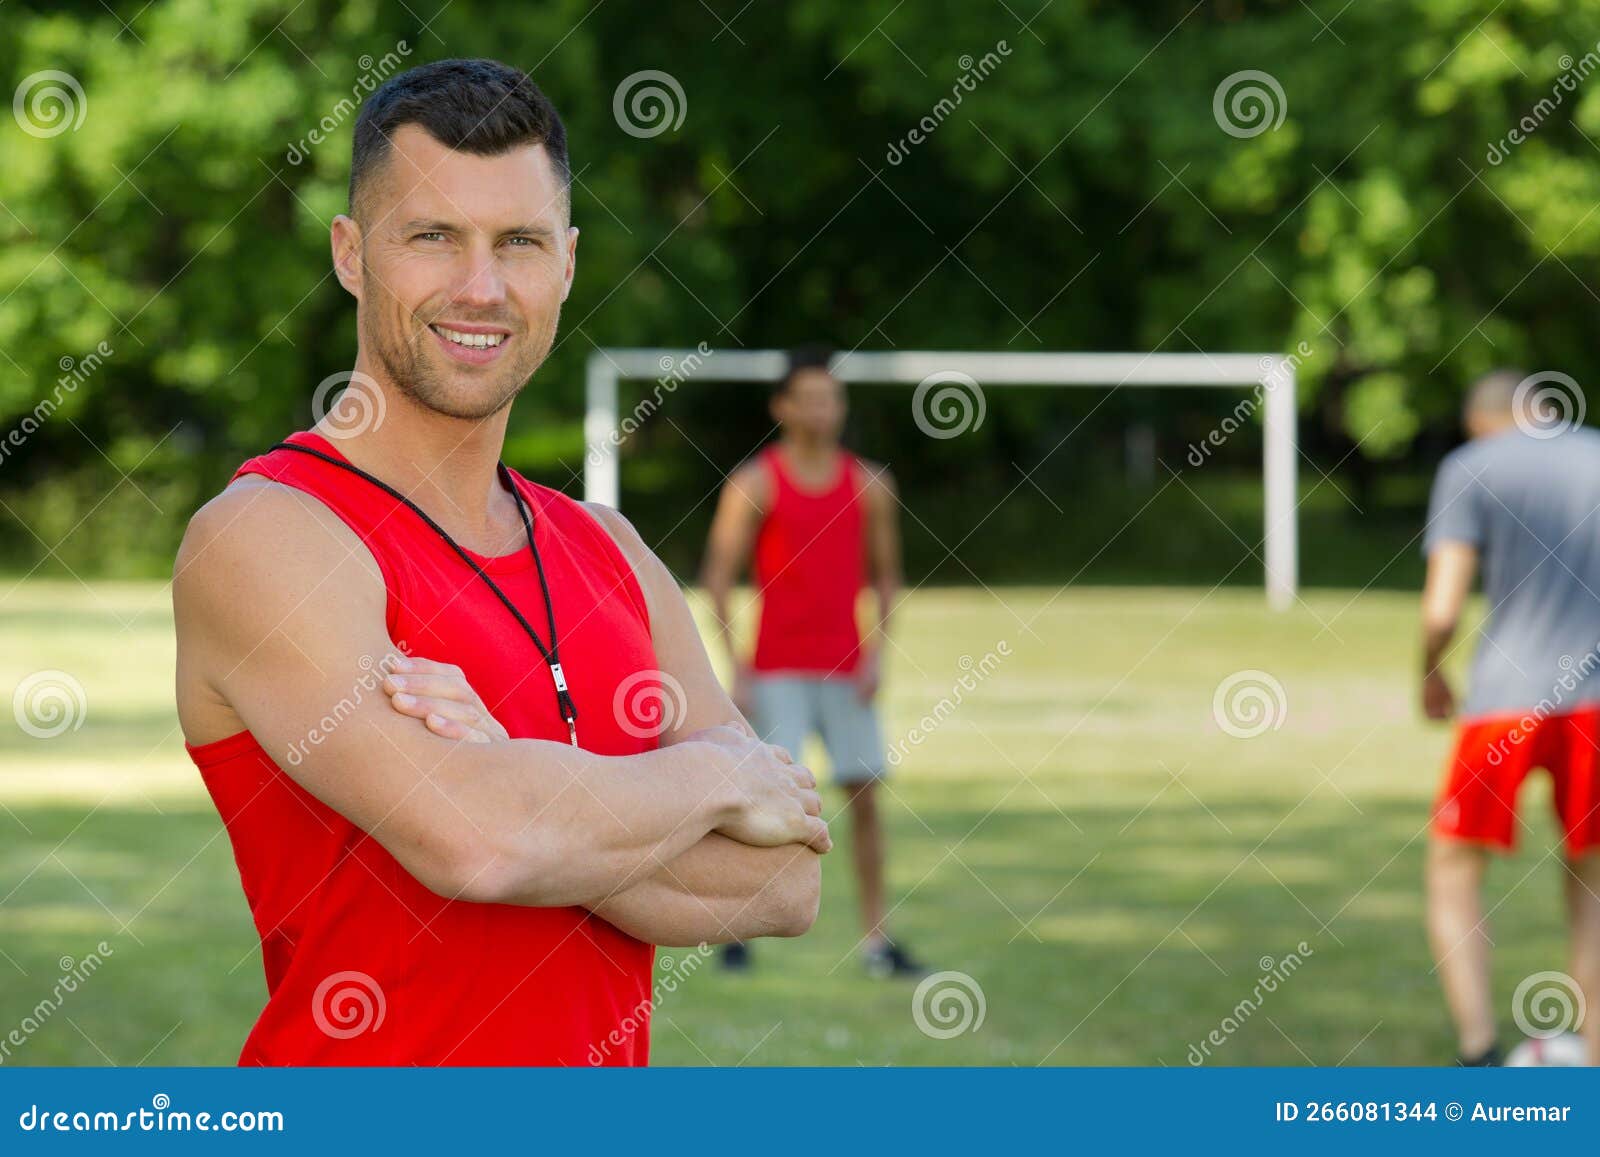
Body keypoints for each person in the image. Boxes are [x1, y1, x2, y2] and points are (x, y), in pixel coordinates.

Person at [172, 59, 831, 1067]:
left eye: (517, 242)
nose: (480, 288)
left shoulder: (611, 552)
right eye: (432, 236)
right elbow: (476, 844)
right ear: (352, 253)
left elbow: (782, 883)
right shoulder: (269, 536)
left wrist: (514, 778)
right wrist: (710, 774)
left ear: (565, 263)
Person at [701, 349, 926, 977]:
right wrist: (737, 663)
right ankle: (737, 931)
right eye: (810, 398)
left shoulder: (871, 485)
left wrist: (878, 653)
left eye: (832, 398)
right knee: (763, 806)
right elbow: (718, 575)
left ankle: (877, 941)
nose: (823, 410)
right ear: (784, 408)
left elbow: (887, 576)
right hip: (776, 670)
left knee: (866, 799)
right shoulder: (756, 483)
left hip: (846, 669)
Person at [1421, 368, 1600, 1066]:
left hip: (1505, 702)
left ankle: (1480, 1052)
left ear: (1485, 420)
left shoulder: (1469, 466)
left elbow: (1442, 608)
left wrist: (1429, 670)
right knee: (1589, 877)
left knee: (1454, 867)